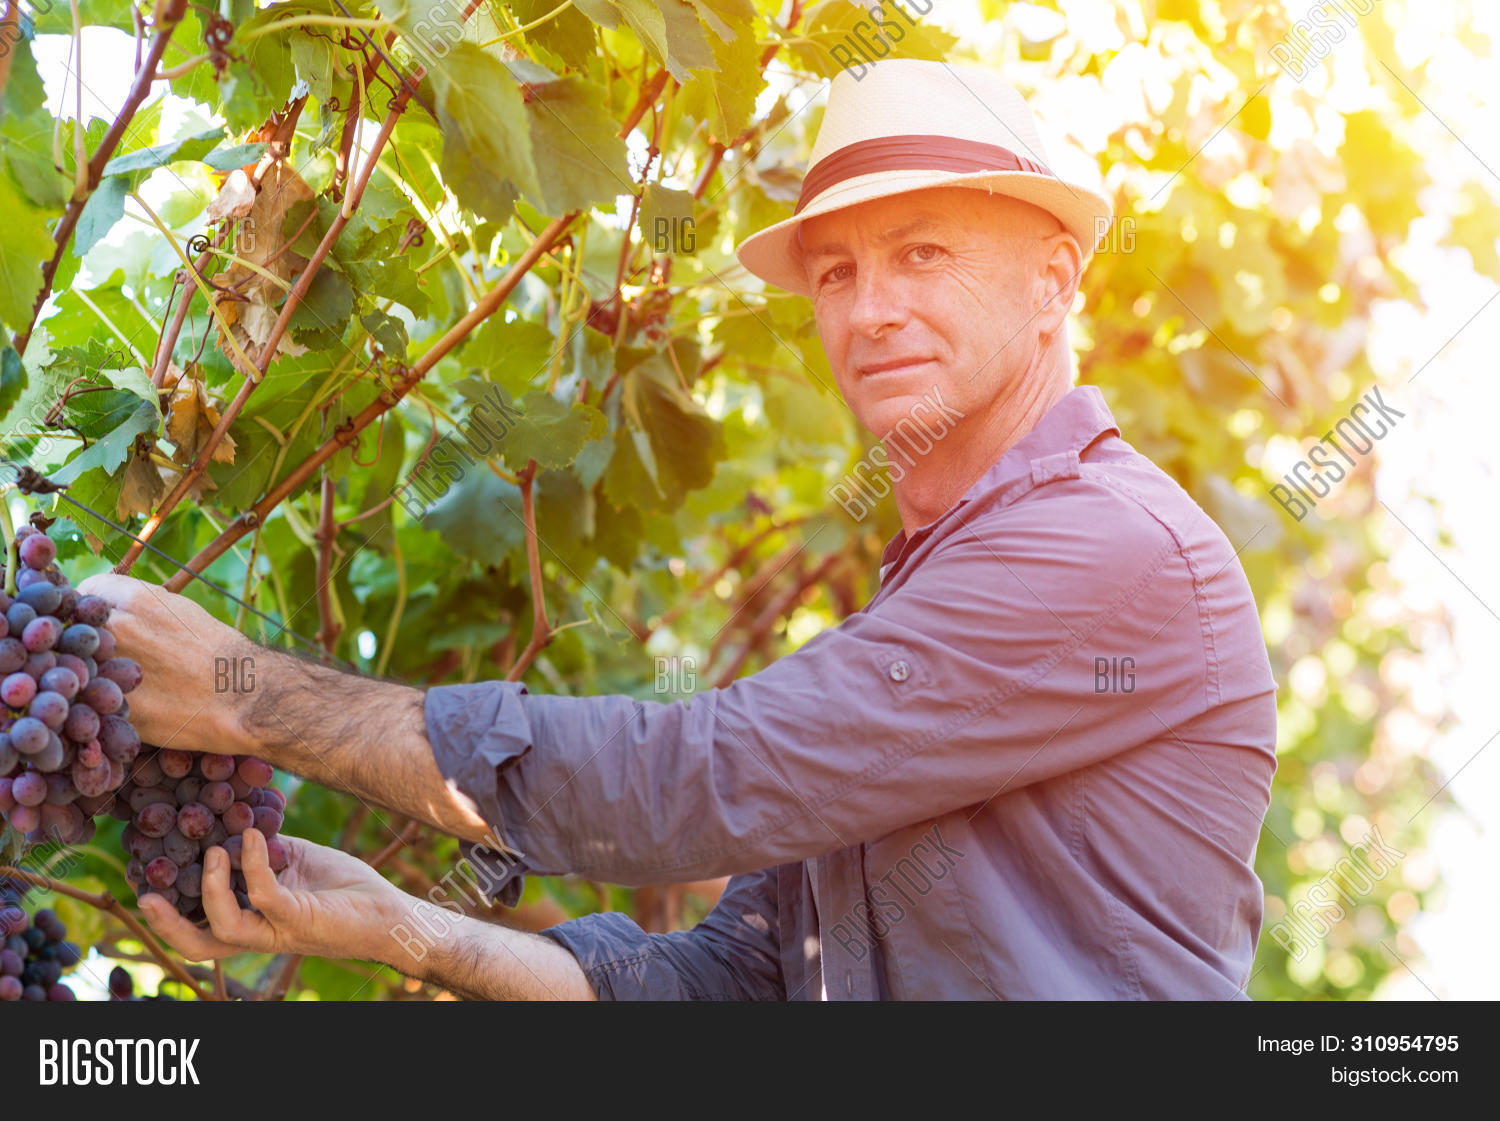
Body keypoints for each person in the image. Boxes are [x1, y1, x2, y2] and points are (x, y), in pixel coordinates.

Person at [79, 59, 1278, 1000]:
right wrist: (394, 923)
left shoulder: (1110, 552)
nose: (872, 311)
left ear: (1057, 279)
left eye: (923, 254)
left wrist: (250, 695)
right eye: (839, 273)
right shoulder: (928, 609)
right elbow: (731, 983)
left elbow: (701, 779)